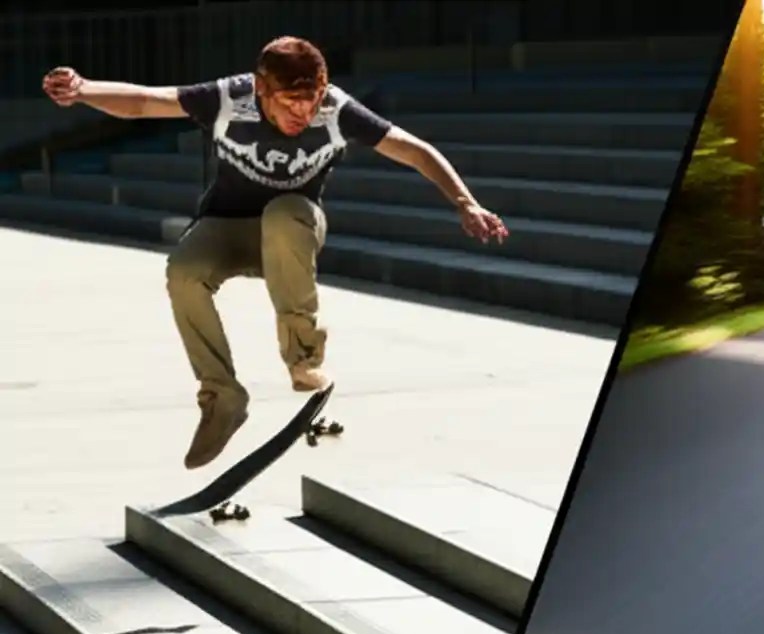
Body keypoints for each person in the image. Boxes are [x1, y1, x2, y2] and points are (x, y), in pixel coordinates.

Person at [42, 36, 509, 470]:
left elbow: (412, 149)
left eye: (310, 101)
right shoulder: (229, 97)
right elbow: (147, 101)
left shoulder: (336, 110)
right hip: (225, 226)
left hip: (293, 231)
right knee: (183, 271)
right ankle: (222, 398)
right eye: (290, 102)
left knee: (284, 214)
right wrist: (84, 89)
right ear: (262, 90)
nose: (302, 114)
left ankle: (303, 357)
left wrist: (464, 201)